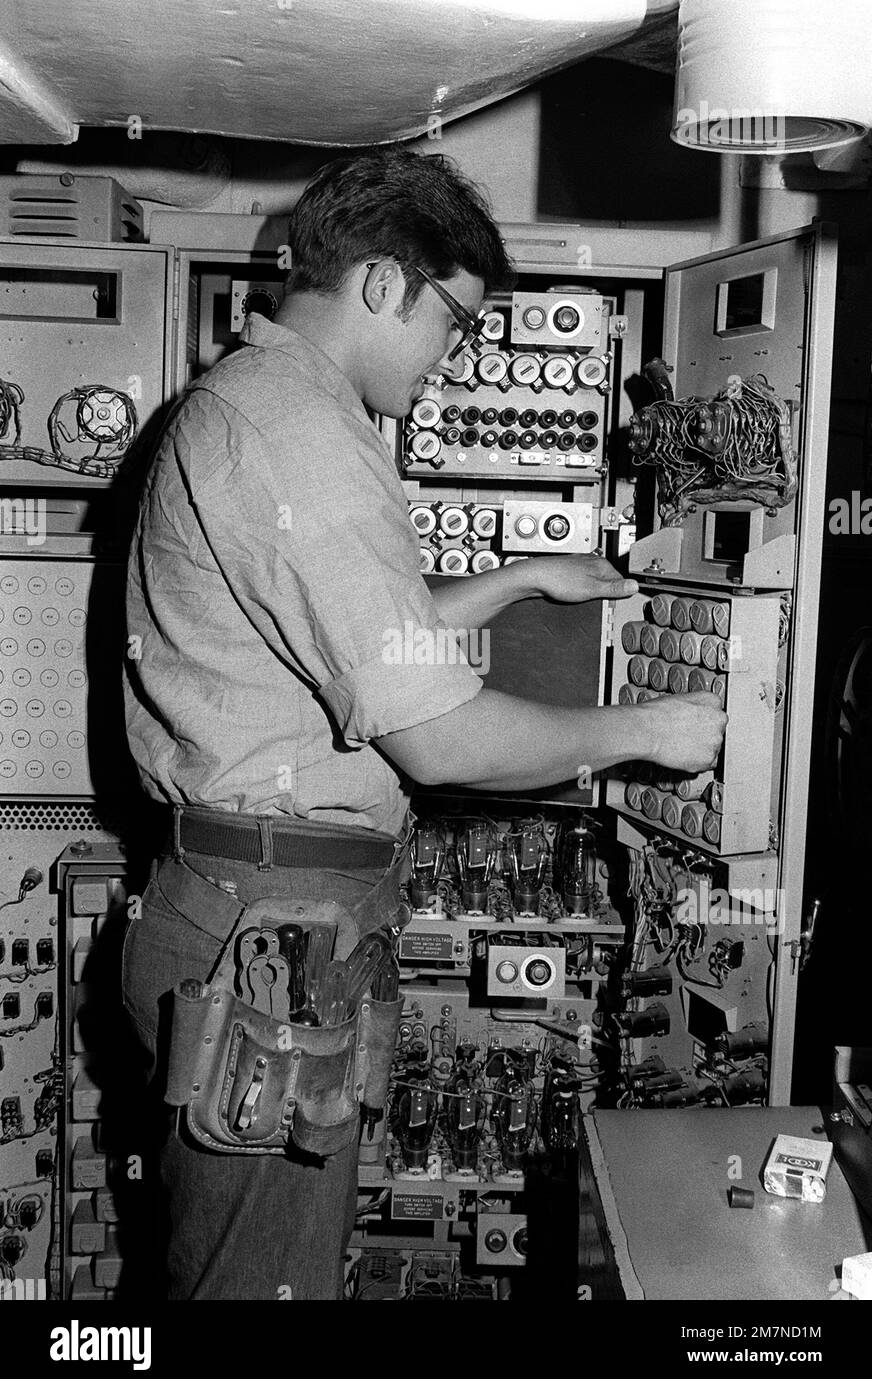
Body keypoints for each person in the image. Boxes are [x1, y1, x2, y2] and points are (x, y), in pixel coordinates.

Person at [121, 147, 727, 1301]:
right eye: (453, 323)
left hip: (248, 904)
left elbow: (348, 645)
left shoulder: (266, 404)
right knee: (261, 1285)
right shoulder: (300, 432)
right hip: (274, 932)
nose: (451, 361)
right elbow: (436, 738)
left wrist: (512, 578)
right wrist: (641, 729)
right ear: (388, 285)